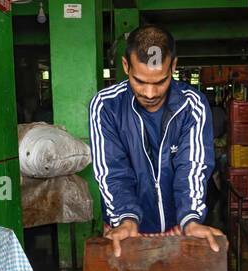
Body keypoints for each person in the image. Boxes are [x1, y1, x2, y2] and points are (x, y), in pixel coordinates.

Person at [89, 24, 219, 257]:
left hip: (178, 227)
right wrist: (126, 219)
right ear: (126, 66)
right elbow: (112, 172)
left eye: (160, 81)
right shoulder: (106, 106)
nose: (150, 93)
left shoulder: (192, 106)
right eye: (140, 81)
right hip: (125, 229)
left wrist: (190, 218)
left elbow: (191, 168)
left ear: (174, 66)